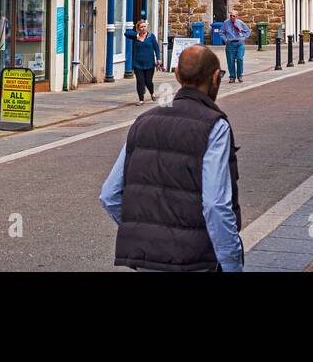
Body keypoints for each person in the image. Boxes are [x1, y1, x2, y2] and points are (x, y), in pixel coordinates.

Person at [99, 44, 243, 272]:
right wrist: (232, 263)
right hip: (194, 259)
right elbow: (216, 205)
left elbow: (109, 195)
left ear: (177, 75)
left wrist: (143, 232)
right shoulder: (215, 126)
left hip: (147, 258)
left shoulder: (143, 121)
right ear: (216, 77)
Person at [124, 19, 162, 103]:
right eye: (141, 27)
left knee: (148, 82)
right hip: (138, 64)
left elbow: (156, 48)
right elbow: (126, 34)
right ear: (138, 28)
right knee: (140, 82)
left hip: (149, 63)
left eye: (145, 26)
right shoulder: (135, 37)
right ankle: (141, 100)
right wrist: (136, 35)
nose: (144, 28)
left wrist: (158, 59)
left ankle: (152, 93)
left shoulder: (151, 36)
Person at [217, 10, 251, 83]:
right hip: (230, 44)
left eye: (234, 16)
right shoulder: (226, 23)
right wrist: (225, 40)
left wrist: (243, 38)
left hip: (240, 43)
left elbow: (248, 32)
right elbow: (221, 32)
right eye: (231, 16)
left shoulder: (240, 23)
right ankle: (232, 77)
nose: (232, 17)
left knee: (239, 58)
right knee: (230, 61)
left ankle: (240, 75)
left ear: (237, 16)